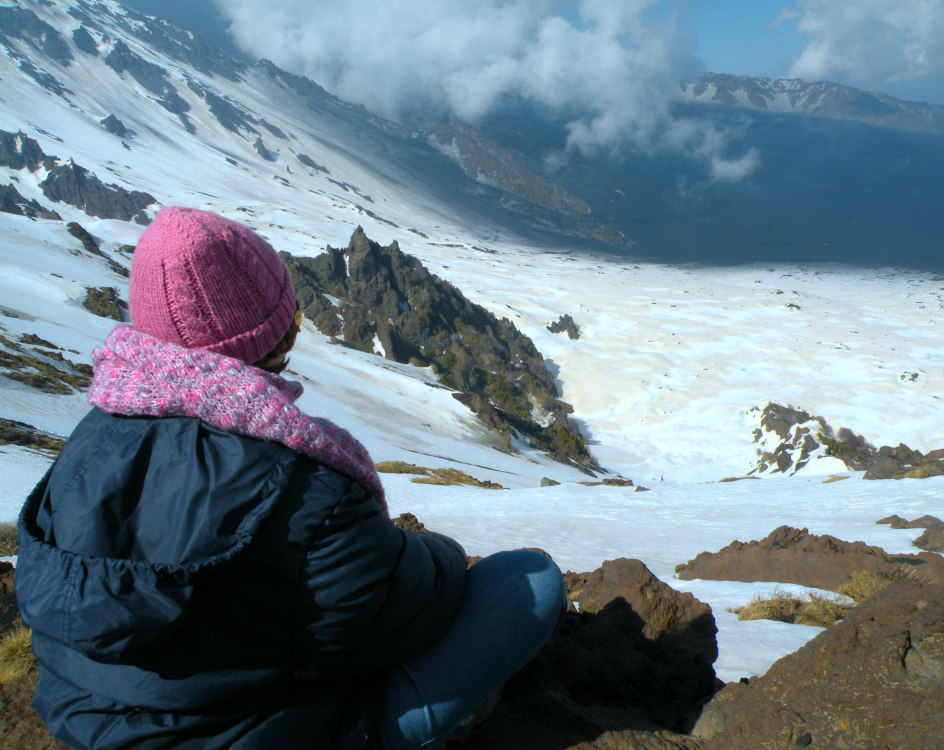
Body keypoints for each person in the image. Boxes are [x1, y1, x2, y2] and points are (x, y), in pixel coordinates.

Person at [16, 207, 566, 749]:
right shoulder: (308, 488)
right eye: (293, 320)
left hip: (86, 719)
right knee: (530, 581)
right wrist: (440, 551)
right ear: (272, 340)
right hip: (251, 733)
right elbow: (411, 608)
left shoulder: (91, 438)